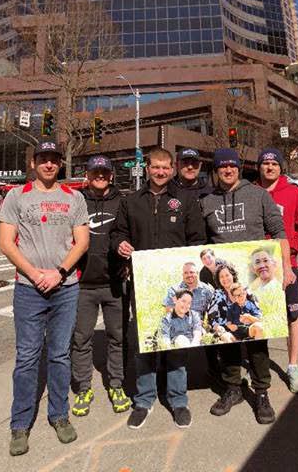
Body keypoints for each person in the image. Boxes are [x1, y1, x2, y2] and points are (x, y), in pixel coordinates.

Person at [0, 140, 90, 457]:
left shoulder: (74, 197)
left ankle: (59, 416)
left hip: (65, 288)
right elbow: (6, 243)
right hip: (28, 289)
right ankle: (20, 424)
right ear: (34, 162)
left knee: (60, 355)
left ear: (60, 164)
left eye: (54, 159)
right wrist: (36, 274)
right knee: (27, 357)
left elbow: (81, 242)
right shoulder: (16, 195)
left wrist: (59, 273)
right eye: (43, 159)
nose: (49, 164)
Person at [112, 146, 205, 430]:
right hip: (144, 284)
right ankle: (144, 400)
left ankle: (178, 401)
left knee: (176, 341)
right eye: (156, 167)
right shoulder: (131, 202)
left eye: (166, 167)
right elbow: (119, 232)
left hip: (177, 286)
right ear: (147, 168)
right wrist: (120, 244)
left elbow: (197, 240)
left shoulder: (186, 201)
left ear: (172, 169)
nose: (161, 172)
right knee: (147, 343)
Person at [201, 148, 293, 424]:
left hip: (253, 279)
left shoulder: (258, 195)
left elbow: (278, 232)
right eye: (222, 167)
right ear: (216, 171)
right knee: (227, 336)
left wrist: (286, 267)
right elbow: (198, 240)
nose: (227, 171)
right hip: (222, 281)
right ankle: (232, 389)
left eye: (232, 166)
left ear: (239, 168)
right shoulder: (206, 201)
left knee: (256, 338)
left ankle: (261, 392)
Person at [70, 155, 131, 419]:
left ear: (111, 175)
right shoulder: (77, 201)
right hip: (83, 284)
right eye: (96, 171)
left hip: (115, 283)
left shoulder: (123, 201)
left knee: (117, 337)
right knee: (81, 339)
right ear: (88, 173)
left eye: (105, 172)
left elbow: (132, 233)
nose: (101, 176)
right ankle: (84, 388)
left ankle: (116, 384)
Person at [257, 148, 298, 393]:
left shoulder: (294, 193)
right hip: (257, 268)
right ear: (258, 167)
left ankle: (292, 366)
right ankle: (257, 367)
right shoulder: (249, 192)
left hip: (287, 268)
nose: (269, 167)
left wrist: (290, 251)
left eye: (274, 163)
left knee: (292, 316)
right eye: (265, 163)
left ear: (280, 167)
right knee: (258, 316)